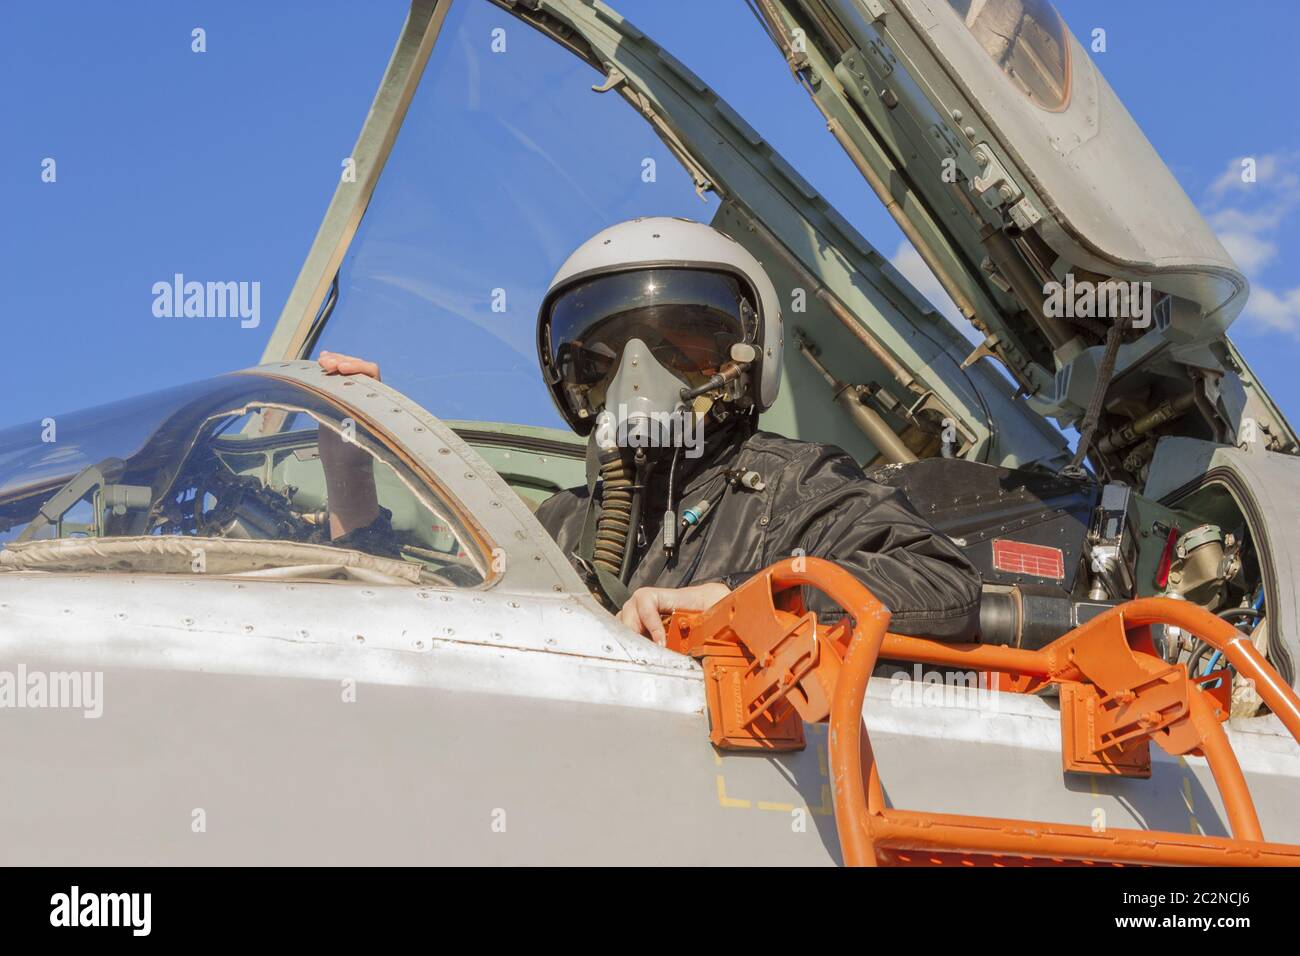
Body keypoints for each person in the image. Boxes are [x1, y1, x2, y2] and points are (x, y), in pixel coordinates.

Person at [319, 217, 981, 645]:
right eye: (607, 359)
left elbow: (942, 585)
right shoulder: (558, 524)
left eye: (678, 348)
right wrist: (349, 463)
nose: (639, 377)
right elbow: (410, 620)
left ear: (747, 355)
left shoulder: (792, 487)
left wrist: (743, 603)